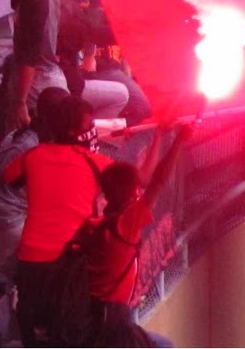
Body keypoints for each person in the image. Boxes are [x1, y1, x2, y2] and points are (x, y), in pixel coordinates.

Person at [3, 91, 110, 346]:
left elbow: (8, 178)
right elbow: (140, 180)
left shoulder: (33, 155)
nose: (92, 130)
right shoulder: (95, 161)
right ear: (73, 130)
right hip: (69, 265)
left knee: (35, 337)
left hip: (30, 264)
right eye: (88, 125)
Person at [83, 125, 189, 347]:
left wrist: (158, 134)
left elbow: (148, 179)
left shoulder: (95, 223)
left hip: (94, 315)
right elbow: (157, 181)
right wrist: (179, 140)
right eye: (137, 188)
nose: (140, 191)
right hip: (114, 322)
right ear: (132, 193)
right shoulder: (126, 225)